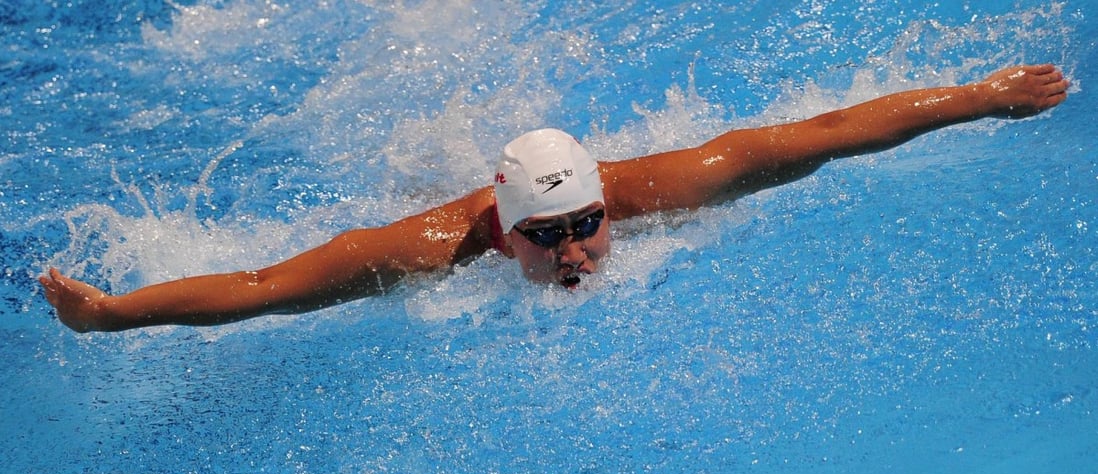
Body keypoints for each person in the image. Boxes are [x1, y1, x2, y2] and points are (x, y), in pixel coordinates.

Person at [40, 64, 1069, 333]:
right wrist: (110, 316)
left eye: (587, 229)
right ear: (503, 226)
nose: (577, 256)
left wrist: (982, 99)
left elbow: (836, 134)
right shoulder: (431, 248)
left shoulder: (670, 188)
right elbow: (263, 284)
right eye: (549, 239)